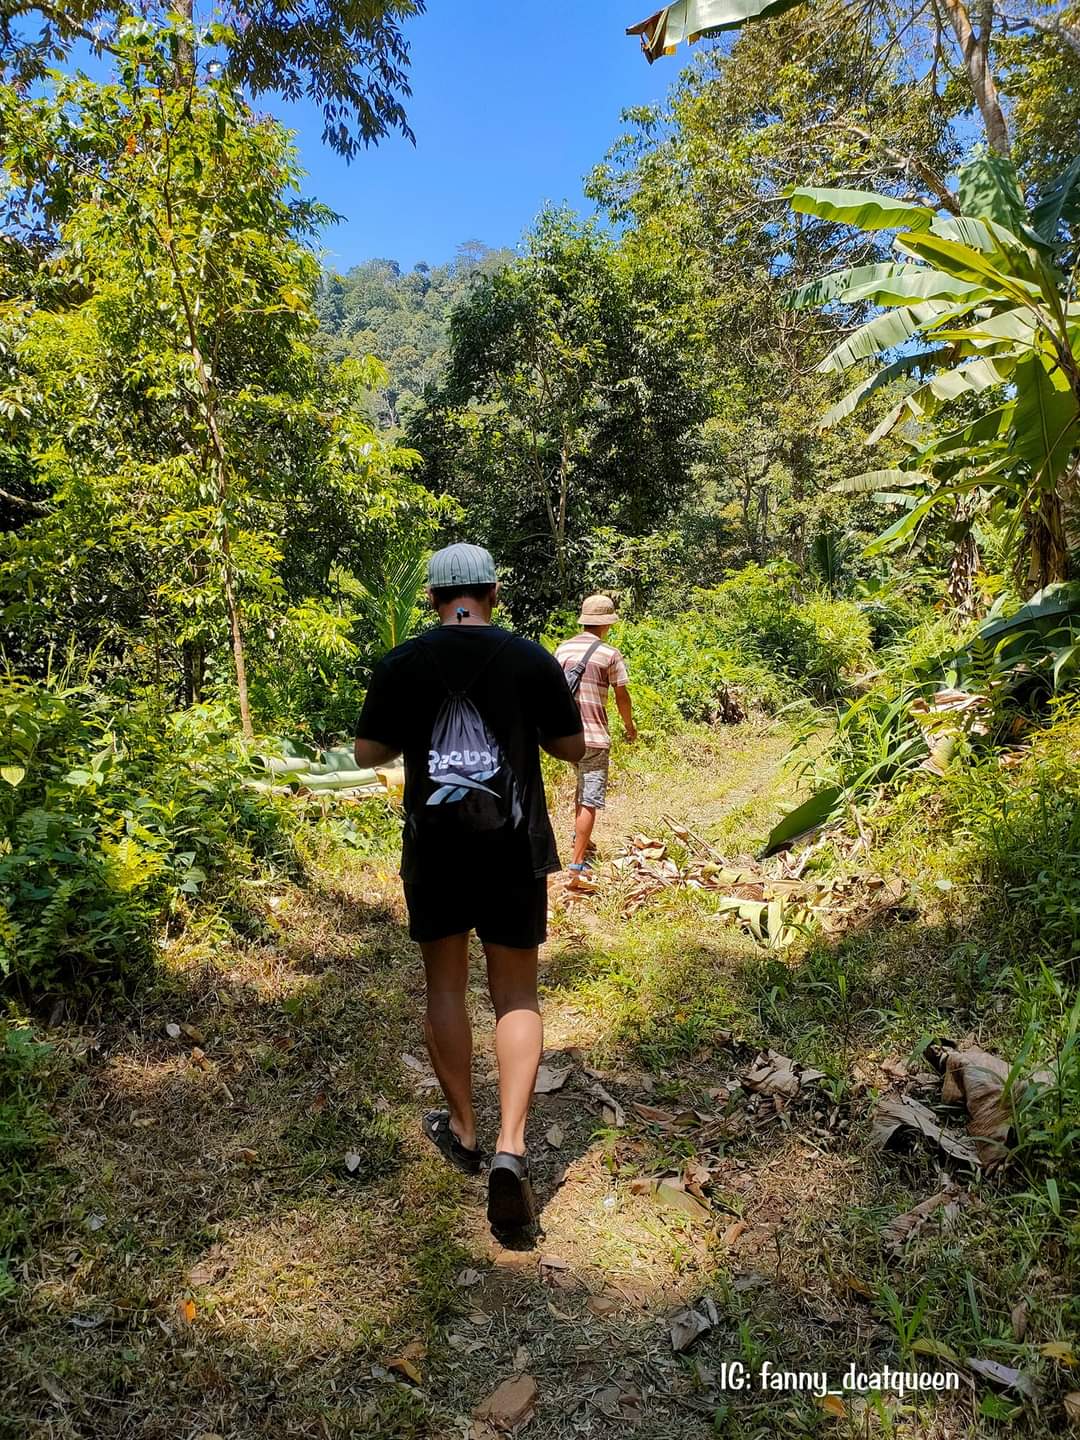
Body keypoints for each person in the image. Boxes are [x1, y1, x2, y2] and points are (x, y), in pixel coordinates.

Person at [354, 543, 585, 1234]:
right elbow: (572, 748)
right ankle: (511, 1148)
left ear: (432, 598)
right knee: (516, 994)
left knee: (446, 988)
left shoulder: (403, 662)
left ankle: (463, 1131)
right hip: (514, 849)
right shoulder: (530, 658)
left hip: (436, 852)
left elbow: (370, 752)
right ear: (492, 591)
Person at [555, 595, 637, 886]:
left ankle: (584, 846)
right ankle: (577, 866)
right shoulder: (609, 654)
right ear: (607, 623)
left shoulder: (563, 649)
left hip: (566, 738)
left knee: (580, 792)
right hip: (595, 737)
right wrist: (629, 726)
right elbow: (621, 696)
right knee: (589, 799)